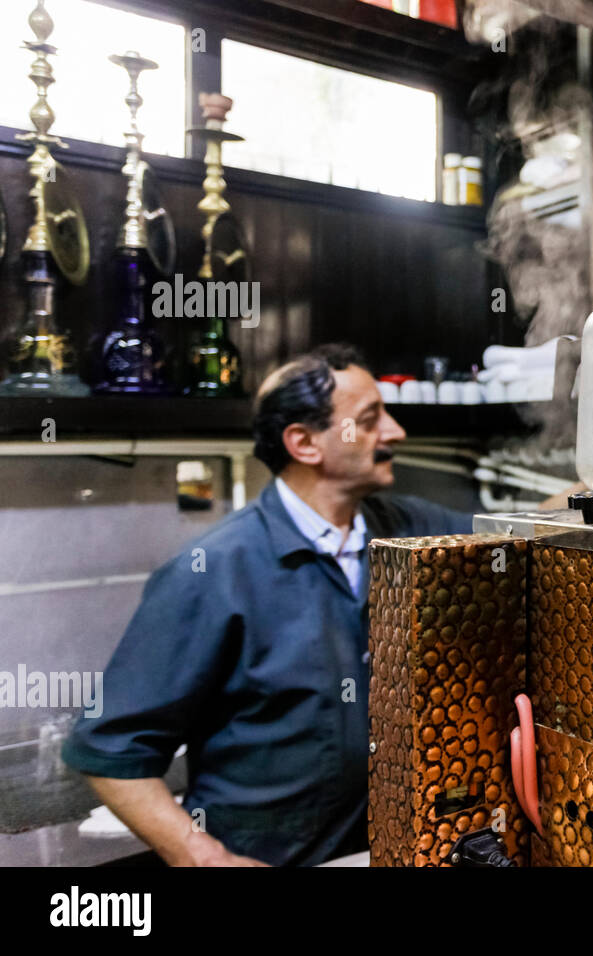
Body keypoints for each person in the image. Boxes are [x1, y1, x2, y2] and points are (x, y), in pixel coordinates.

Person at [62, 344, 499, 865]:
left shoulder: (409, 530)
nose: (396, 432)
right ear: (304, 443)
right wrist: (202, 857)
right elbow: (112, 748)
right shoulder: (214, 572)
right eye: (370, 419)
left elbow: (520, 533)